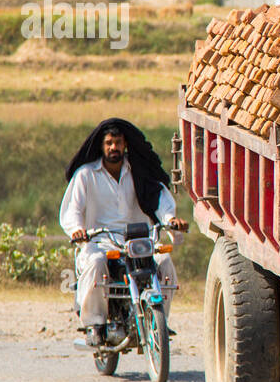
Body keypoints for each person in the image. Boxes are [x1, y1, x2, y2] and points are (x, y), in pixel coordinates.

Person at [60, 119, 186, 347]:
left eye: (118, 143)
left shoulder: (139, 171)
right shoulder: (86, 175)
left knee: (165, 261)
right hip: (100, 241)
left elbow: (160, 199)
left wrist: (170, 220)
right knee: (96, 262)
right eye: (108, 143)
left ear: (125, 144)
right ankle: (96, 324)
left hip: (139, 241)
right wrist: (77, 230)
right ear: (101, 146)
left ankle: (160, 321)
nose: (113, 148)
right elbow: (73, 210)